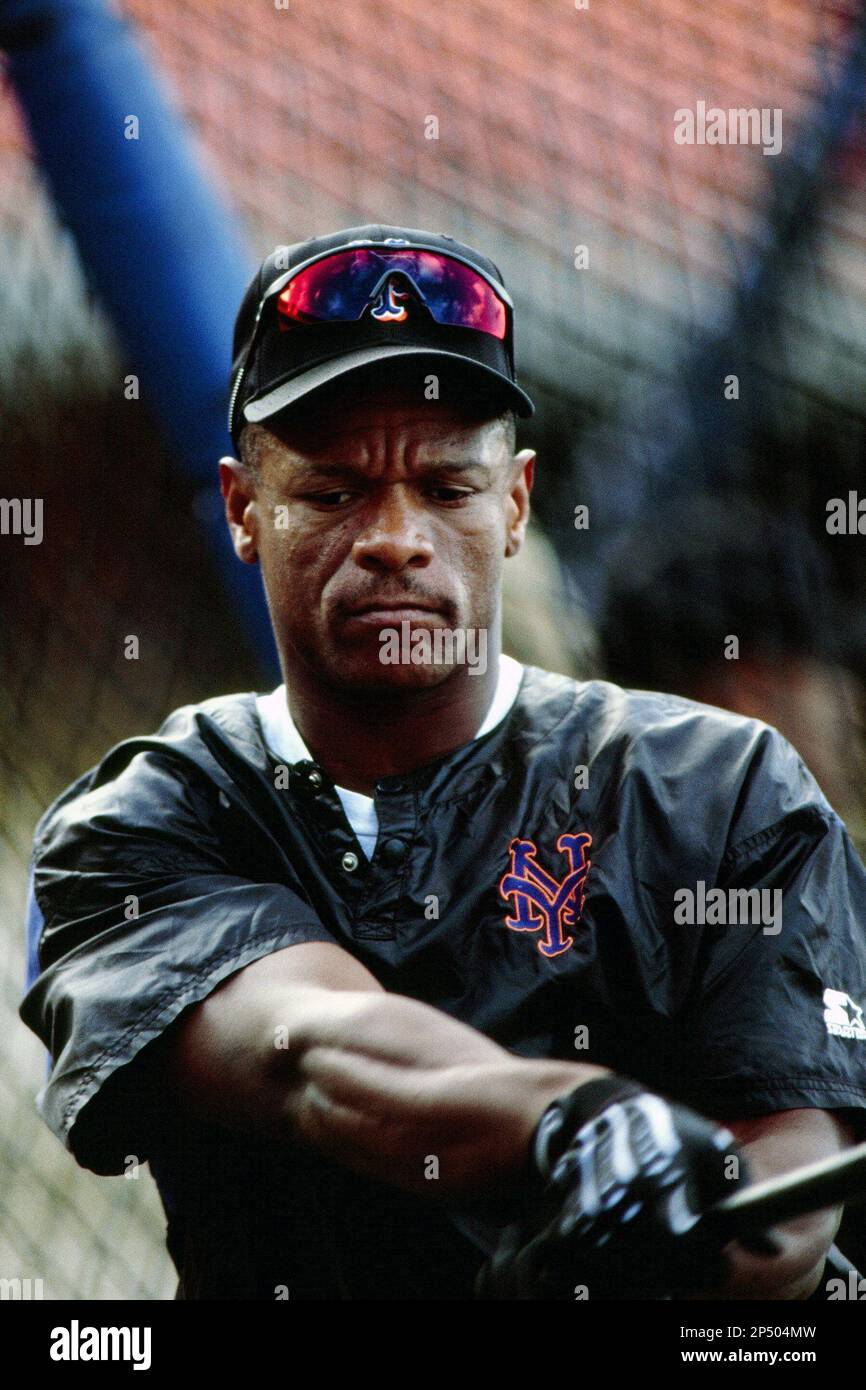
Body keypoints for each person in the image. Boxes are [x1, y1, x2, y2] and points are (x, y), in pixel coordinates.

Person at [20, 224, 866, 1300]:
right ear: (243, 507)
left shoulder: (719, 789)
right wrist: (575, 1126)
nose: (395, 537)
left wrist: (673, 1226)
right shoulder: (153, 816)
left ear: (513, 505)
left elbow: (781, 1219)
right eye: (331, 493)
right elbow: (304, 1051)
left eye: (446, 488)